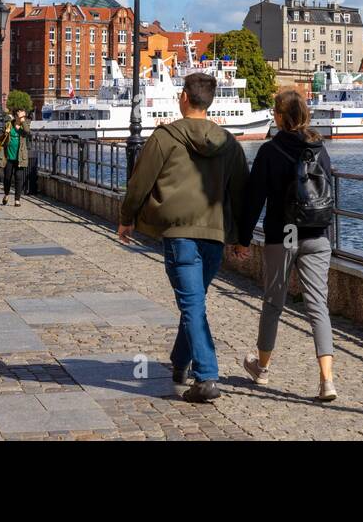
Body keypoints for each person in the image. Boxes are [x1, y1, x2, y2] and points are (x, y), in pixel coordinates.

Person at [117, 72, 249, 404]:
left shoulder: (165, 138)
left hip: (179, 234)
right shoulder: (229, 143)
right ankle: (180, 362)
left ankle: (206, 376)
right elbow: (242, 193)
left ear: (184, 98)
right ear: (210, 101)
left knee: (192, 304)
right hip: (215, 234)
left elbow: (139, 182)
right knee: (194, 302)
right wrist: (241, 237)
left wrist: (126, 219)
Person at [237, 88, 337, 402]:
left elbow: (253, 199)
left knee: (273, 302)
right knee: (318, 306)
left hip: (284, 235)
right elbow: (329, 188)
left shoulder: (269, 151)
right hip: (317, 234)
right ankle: (327, 381)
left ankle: (261, 368)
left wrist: (241, 239)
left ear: (280, 117)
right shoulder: (318, 148)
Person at [0, 108, 31, 206]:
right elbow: (0, 138)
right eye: (21, 116)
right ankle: (6, 194)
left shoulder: (25, 125)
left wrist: (23, 121)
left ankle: (17, 200)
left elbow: (27, 132)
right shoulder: (9, 125)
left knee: (19, 178)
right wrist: (5, 133)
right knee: (7, 178)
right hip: (8, 157)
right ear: (15, 116)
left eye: (24, 116)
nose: (23, 118)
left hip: (20, 157)